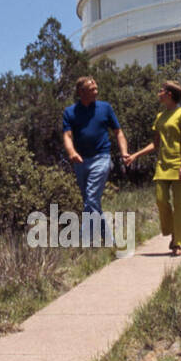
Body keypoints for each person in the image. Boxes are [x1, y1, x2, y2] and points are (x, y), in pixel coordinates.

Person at [124, 80, 181, 255]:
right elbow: (155, 144)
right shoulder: (159, 117)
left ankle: (176, 243)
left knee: (179, 206)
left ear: (169, 94)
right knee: (161, 200)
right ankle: (172, 232)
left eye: (161, 90)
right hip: (163, 165)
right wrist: (135, 155)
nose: (159, 93)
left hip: (179, 164)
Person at [62, 76, 129, 247]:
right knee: (91, 201)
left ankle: (85, 239)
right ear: (81, 92)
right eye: (92, 89)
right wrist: (71, 152)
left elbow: (118, 132)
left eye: (96, 88)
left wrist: (124, 152)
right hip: (81, 161)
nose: (96, 92)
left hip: (101, 157)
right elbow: (67, 136)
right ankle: (109, 240)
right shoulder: (70, 112)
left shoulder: (105, 108)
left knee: (91, 197)